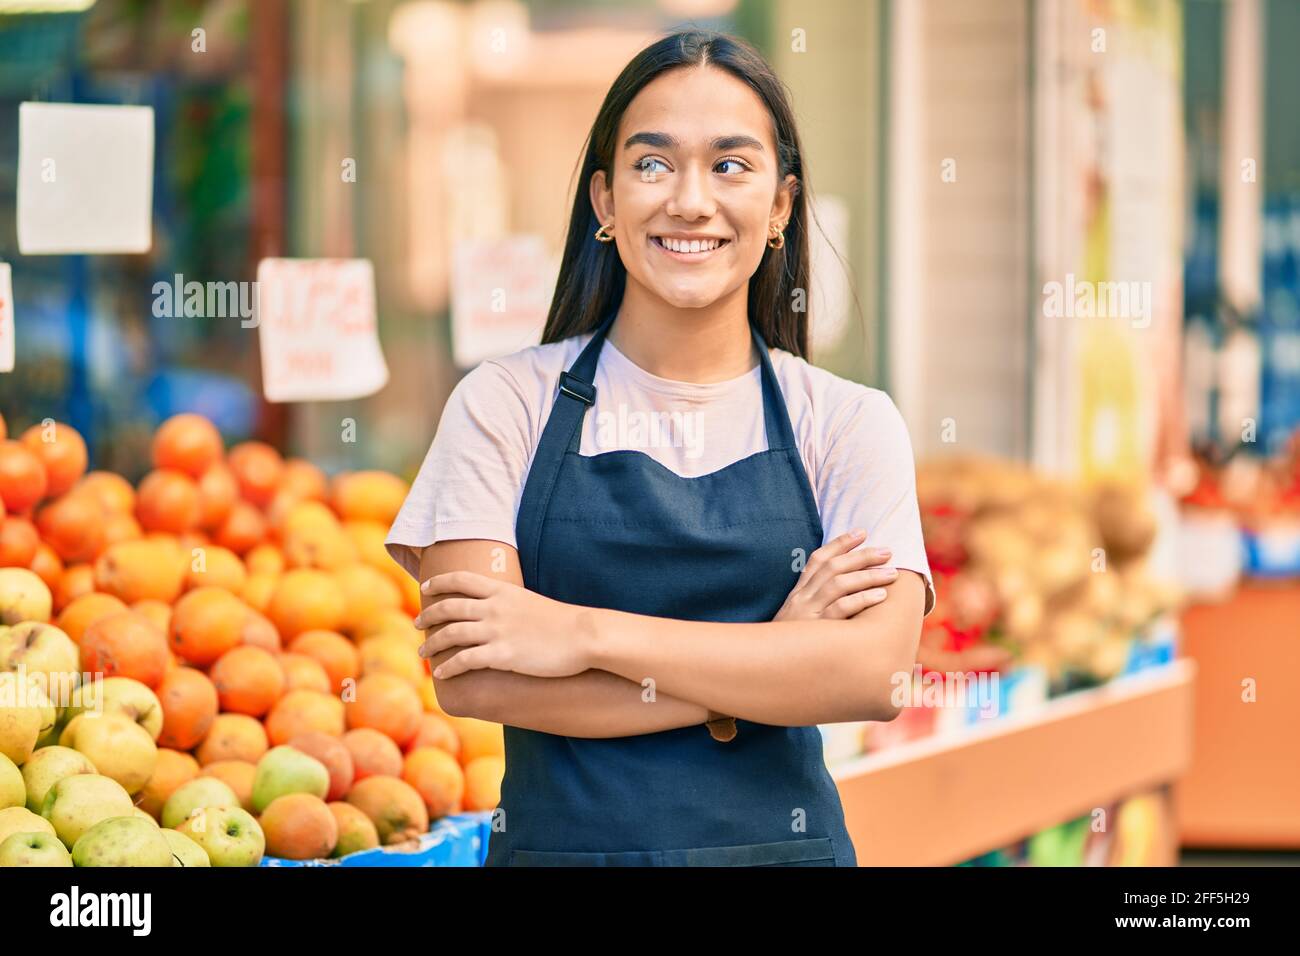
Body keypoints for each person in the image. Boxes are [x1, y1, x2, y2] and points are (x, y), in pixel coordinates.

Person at [386, 29, 935, 867]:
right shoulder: (505, 404)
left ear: (782, 206)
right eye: (652, 164)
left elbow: (875, 679)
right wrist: (767, 667)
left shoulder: (848, 422)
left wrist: (579, 636)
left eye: (730, 165)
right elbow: (475, 676)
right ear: (605, 201)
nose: (689, 200)